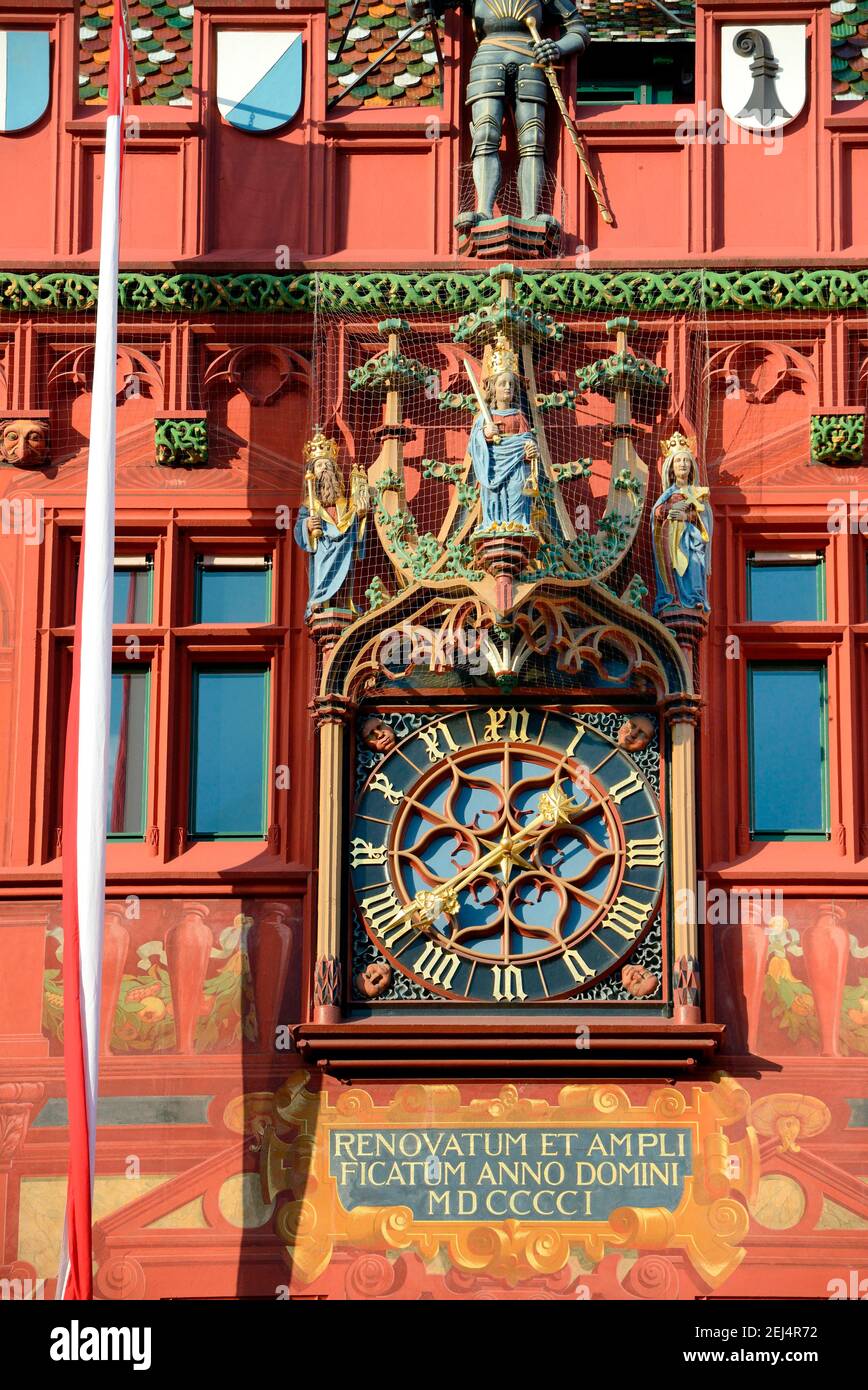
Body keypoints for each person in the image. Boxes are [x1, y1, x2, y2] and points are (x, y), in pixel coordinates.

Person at [293, 428, 369, 616]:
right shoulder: (308, 506)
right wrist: (308, 526)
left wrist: (359, 514)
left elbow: (355, 526)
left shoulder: (345, 503)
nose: (324, 469)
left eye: (327, 465)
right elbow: (298, 529)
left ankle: (344, 602)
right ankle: (319, 599)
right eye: (319, 466)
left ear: (335, 471)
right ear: (312, 472)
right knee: (320, 570)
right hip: (322, 551)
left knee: (345, 573)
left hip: (344, 549)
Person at [469, 335, 540, 527]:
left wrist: (531, 449)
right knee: (494, 496)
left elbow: (528, 440)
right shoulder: (486, 417)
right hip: (493, 469)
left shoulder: (518, 416)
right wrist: (485, 434)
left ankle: (518, 526)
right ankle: (494, 525)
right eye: (502, 384)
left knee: (517, 490)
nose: (507, 388)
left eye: (511, 384)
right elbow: (473, 446)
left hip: (517, 468)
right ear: (493, 388)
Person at [651, 432, 713, 614]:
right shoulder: (668, 493)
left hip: (690, 538)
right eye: (678, 461)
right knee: (671, 566)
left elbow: (705, 517)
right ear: (671, 467)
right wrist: (668, 510)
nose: (683, 464)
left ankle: (693, 598)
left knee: (692, 565)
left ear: (691, 466)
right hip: (669, 537)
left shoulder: (698, 492)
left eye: (686, 461)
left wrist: (687, 517)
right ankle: (672, 597)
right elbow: (656, 513)